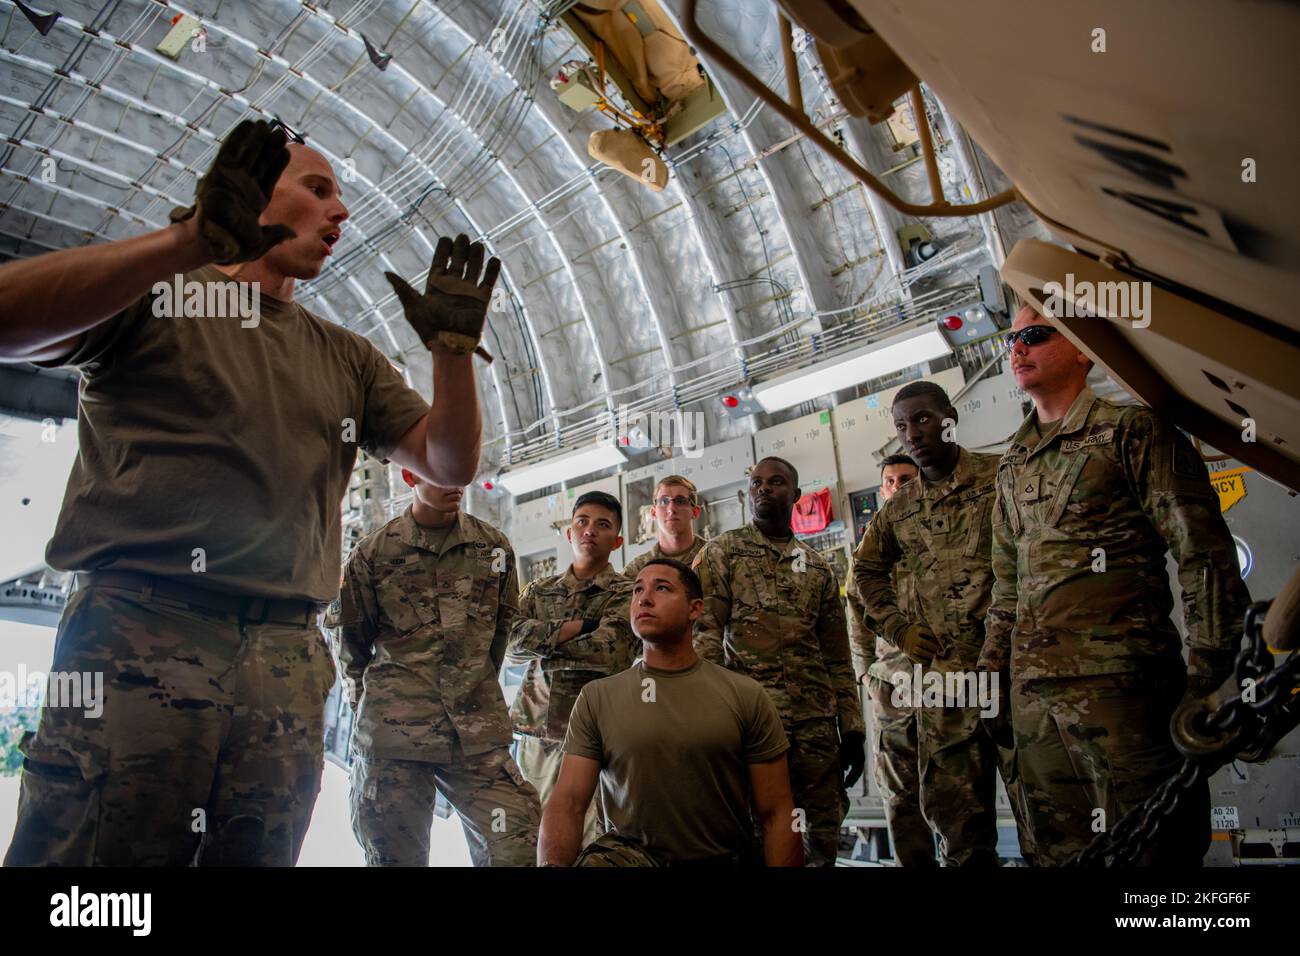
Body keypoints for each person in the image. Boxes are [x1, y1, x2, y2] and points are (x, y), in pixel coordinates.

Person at [1, 120, 497, 866]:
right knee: (96, 881)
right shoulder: (159, 290)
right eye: (318, 189)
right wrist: (191, 241)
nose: (342, 213)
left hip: (286, 656)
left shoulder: (345, 356)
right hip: (140, 632)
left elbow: (447, 463)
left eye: (341, 197)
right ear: (254, 188)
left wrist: (451, 357)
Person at [978, 304, 1252, 865]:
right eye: (1012, 339)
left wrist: (1210, 679)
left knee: (1153, 852)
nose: (1017, 349)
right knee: (1056, 852)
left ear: (1082, 349)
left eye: (1033, 335)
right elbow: (1006, 587)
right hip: (1034, 703)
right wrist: (992, 677)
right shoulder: (1012, 463)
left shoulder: (1133, 433)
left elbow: (1203, 556)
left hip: (1123, 694)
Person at [329, 470, 540, 866]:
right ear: (410, 473)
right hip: (395, 739)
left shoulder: (492, 548)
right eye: (441, 472)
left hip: (475, 737)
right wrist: (376, 719)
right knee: (395, 856)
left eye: (460, 473)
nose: (454, 483)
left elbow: (499, 636)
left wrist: (471, 692)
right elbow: (351, 652)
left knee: (516, 839)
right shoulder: (374, 554)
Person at [538, 559, 802, 867]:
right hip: (630, 859)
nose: (644, 598)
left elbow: (778, 813)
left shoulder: (745, 695)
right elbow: (568, 803)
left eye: (662, 588)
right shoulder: (597, 697)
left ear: (695, 609)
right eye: (638, 590)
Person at [852, 383, 1018, 866]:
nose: (912, 435)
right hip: (945, 692)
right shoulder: (899, 509)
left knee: (1049, 822)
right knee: (960, 833)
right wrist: (896, 629)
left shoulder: (1001, 475)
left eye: (922, 420)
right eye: (901, 426)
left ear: (948, 417)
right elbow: (863, 573)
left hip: (1013, 675)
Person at [693, 457, 865, 866]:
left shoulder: (818, 568)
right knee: (754, 834)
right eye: (756, 483)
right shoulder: (724, 553)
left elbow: (837, 656)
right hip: (751, 725)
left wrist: (853, 729)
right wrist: (712, 721)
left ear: (796, 495)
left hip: (815, 728)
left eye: (776, 482)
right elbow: (706, 638)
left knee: (820, 834)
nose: (763, 489)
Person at [506, 491, 637, 846]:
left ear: (618, 540)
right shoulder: (537, 592)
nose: (589, 530)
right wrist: (580, 627)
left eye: (603, 524)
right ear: (569, 532)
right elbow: (509, 644)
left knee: (594, 840)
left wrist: (544, 644)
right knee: (537, 838)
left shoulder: (627, 593)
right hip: (538, 737)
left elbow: (610, 652)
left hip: (599, 737)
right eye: (582, 521)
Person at [845, 453, 936, 866]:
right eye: (890, 480)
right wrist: (865, 672)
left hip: (945, 682)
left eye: (905, 478)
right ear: (882, 490)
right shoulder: (867, 548)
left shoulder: (940, 531)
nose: (897, 486)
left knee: (954, 791)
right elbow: (856, 613)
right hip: (891, 687)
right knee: (900, 796)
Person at [622, 475, 708, 578]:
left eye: (680, 501)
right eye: (663, 502)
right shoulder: (637, 571)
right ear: (653, 513)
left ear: (695, 512)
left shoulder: (715, 556)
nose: (671, 509)